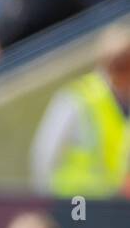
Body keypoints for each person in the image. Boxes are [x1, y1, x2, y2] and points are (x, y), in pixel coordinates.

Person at [30, 24, 130, 199]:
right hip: (71, 207)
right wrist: (47, 205)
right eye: (121, 64)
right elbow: (44, 156)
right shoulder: (75, 99)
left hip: (107, 208)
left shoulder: (124, 103)